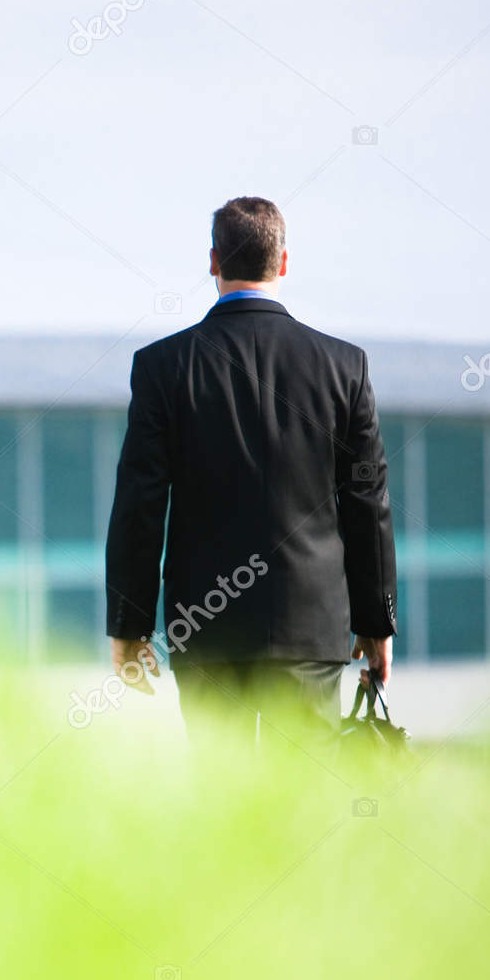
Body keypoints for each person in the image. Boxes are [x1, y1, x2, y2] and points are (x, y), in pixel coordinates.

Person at [105, 196, 397, 741]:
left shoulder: (162, 366)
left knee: (221, 807)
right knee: (309, 807)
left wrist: (128, 624)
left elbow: (140, 503)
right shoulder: (344, 366)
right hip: (311, 629)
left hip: (207, 627)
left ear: (213, 262)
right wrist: (377, 621)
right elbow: (367, 502)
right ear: (283, 262)